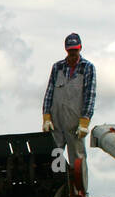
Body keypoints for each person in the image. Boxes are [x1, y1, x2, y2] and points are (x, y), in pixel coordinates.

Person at [41, 32, 96, 165]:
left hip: (75, 124)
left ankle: (78, 186)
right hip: (56, 122)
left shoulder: (88, 68)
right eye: (70, 50)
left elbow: (90, 95)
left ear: (80, 48)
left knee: (77, 158)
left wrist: (84, 121)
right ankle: (57, 184)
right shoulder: (57, 67)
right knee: (55, 156)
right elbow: (49, 93)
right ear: (66, 49)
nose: (73, 53)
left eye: (75, 50)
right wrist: (46, 117)